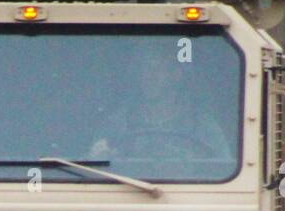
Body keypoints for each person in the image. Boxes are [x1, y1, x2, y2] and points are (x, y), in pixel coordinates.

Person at [89, 49, 233, 165]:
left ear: (176, 75)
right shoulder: (118, 122)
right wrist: (100, 155)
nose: (148, 77)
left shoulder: (201, 124)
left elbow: (221, 166)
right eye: (144, 70)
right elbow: (95, 166)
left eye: (156, 70)